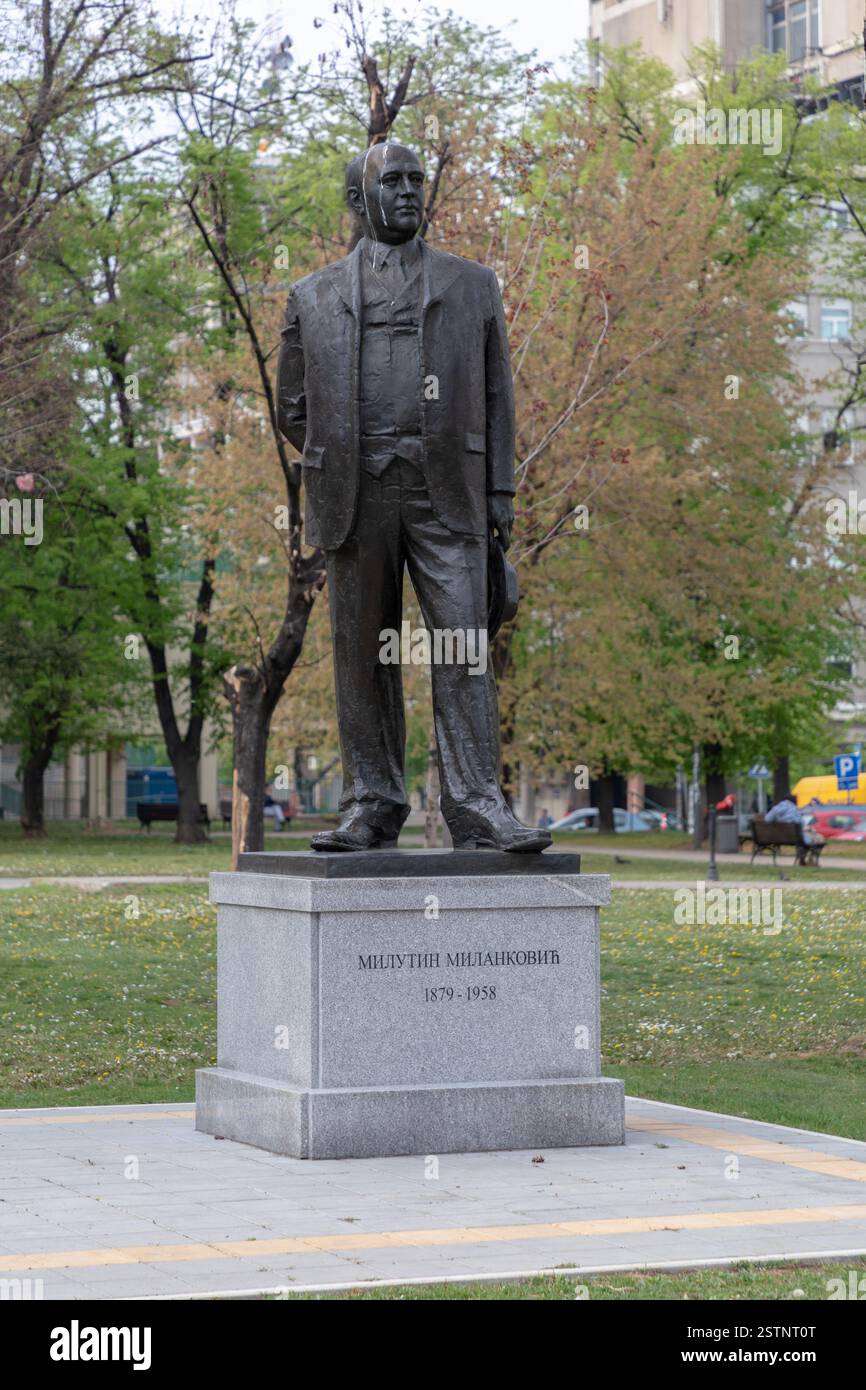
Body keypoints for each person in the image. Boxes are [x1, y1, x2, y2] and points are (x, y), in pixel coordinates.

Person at [277, 142, 550, 853]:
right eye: (391, 181)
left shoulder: (472, 284)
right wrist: (345, 445)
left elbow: (498, 397)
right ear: (358, 199)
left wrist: (498, 491)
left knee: (463, 647)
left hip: (447, 495)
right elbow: (292, 405)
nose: (407, 192)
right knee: (364, 655)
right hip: (357, 494)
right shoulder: (312, 295)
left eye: (415, 180)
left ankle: (477, 805)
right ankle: (372, 802)